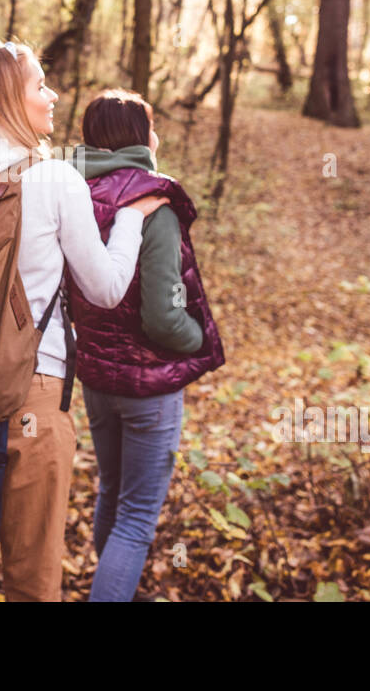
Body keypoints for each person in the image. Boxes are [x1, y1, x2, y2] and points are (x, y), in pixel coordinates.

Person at [0, 39, 169, 602]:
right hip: (31, 396)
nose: (51, 97)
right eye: (39, 86)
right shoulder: (54, 181)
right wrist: (129, 219)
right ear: (7, 98)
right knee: (32, 577)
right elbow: (104, 289)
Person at [68, 89, 225, 602]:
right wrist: (195, 336)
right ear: (139, 136)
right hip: (148, 387)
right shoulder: (154, 203)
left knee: (112, 493)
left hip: (96, 377)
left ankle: (107, 585)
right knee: (136, 519)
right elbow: (163, 312)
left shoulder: (73, 192)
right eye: (151, 127)